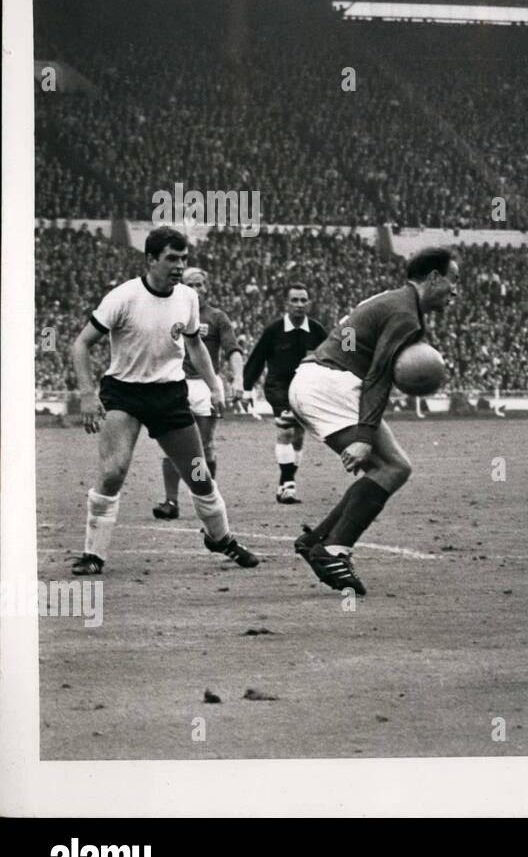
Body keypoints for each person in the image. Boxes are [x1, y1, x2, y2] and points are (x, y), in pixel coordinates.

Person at [69, 226, 264, 575]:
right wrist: (86, 394)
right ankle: (93, 555)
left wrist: (215, 385)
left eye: (184, 259)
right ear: (150, 259)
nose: (179, 265)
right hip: (125, 392)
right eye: (172, 258)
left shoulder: (187, 298)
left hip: (169, 393)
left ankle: (221, 539)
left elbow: (195, 345)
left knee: (199, 474)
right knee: (113, 471)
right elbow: (81, 344)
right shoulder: (123, 297)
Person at [287, 248, 459, 594]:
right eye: (452, 280)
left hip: (318, 380)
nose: (455, 289)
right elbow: (378, 374)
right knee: (392, 468)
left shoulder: (398, 302)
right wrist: (364, 437)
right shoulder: (404, 314)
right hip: (330, 384)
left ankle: (317, 541)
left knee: (393, 466)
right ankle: (334, 549)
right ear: (434, 278)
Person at [152, 267, 243, 518]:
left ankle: (205, 501)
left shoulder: (217, 317)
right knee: (170, 445)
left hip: (204, 384)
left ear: (206, 287)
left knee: (203, 446)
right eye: (191, 285)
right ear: (181, 287)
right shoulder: (168, 313)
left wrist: (238, 378)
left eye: (200, 284)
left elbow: (232, 349)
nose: (197, 290)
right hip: (174, 383)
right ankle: (170, 501)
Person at [242, 283, 327, 503]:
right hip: (278, 387)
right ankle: (289, 484)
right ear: (286, 304)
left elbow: (331, 357)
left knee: (298, 436)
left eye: (303, 300)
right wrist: (247, 388)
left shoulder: (317, 330)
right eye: (295, 300)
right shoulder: (274, 330)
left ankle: (284, 482)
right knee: (286, 429)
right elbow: (257, 360)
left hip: (305, 388)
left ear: (309, 303)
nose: (300, 305)